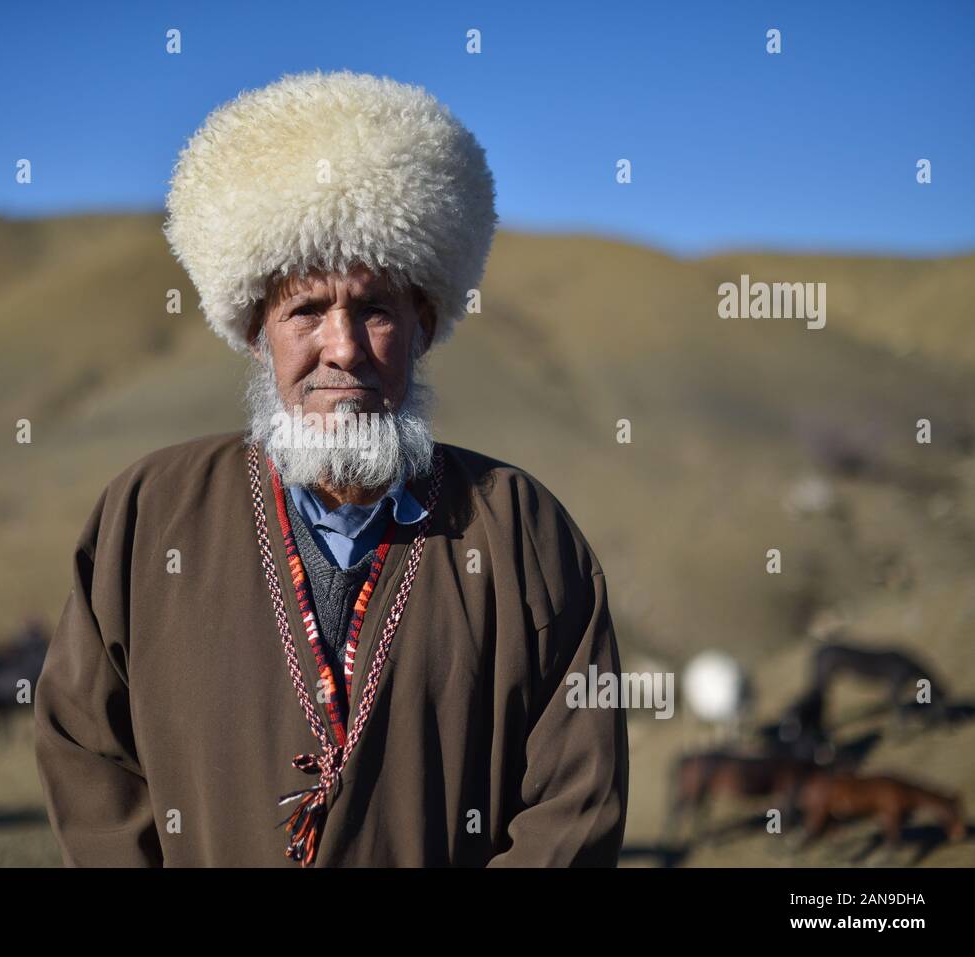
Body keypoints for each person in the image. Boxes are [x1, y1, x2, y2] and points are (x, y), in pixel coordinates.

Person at [34, 69, 628, 867]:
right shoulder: (147, 517)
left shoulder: (522, 530)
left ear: (422, 325)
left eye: (374, 310)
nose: (342, 348)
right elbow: (87, 756)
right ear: (256, 332)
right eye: (306, 310)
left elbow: (574, 810)